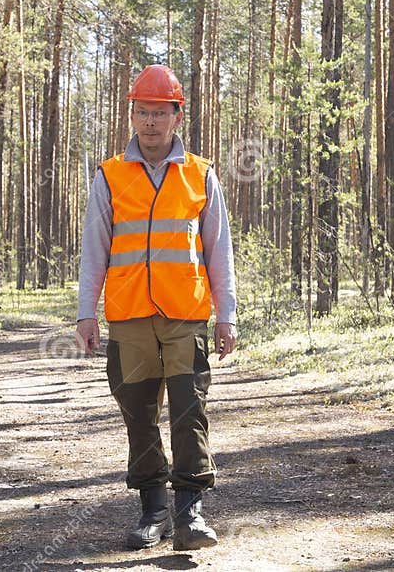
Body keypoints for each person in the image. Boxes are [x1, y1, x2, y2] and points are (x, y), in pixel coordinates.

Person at [75, 64, 238, 551]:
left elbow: (219, 251)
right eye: (142, 112)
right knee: (139, 415)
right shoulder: (110, 175)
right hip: (128, 317)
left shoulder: (199, 175)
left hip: (186, 314)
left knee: (190, 411)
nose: (150, 121)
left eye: (159, 112)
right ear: (131, 115)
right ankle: (152, 510)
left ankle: (191, 512)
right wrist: (87, 312)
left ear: (176, 116)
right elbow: (95, 248)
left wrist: (226, 314)